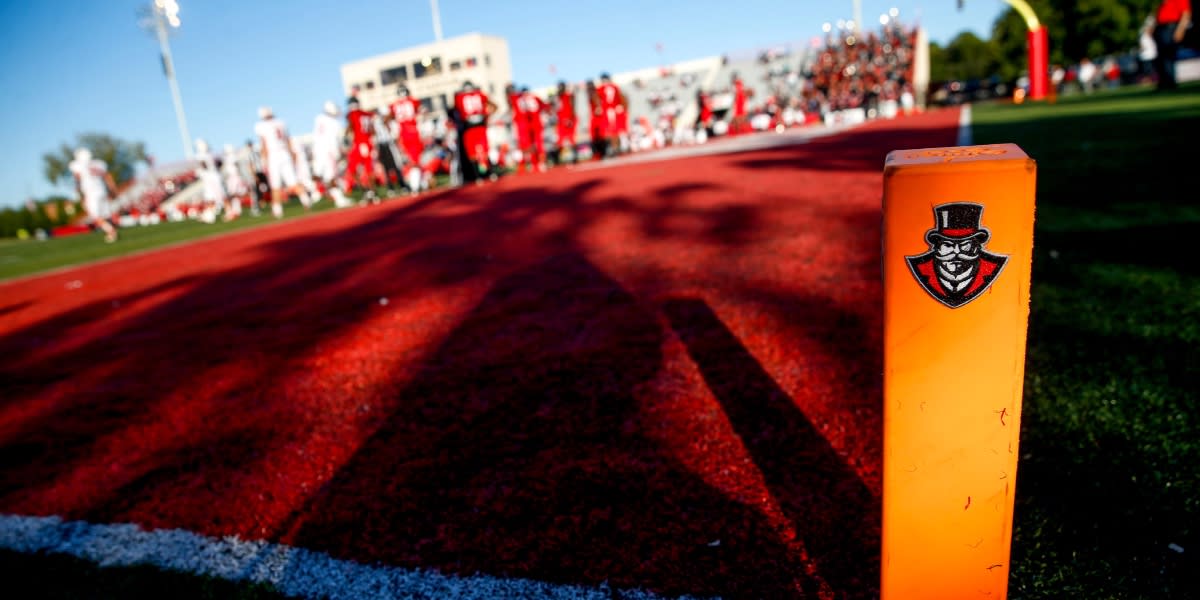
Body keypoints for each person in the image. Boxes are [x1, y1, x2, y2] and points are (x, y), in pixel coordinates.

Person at [254, 106, 310, 218]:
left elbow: (264, 144)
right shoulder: (281, 123)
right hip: (285, 154)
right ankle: (306, 201)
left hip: (274, 156)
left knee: (275, 185)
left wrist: (264, 160)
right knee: (293, 182)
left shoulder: (261, 126)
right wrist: (292, 154)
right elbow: (288, 140)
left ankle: (277, 210)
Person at [68, 147, 119, 242]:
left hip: (91, 193)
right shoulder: (98, 164)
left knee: (95, 216)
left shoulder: (77, 165)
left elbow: (77, 179)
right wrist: (112, 189)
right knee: (105, 214)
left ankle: (111, 231)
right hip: (102, 191)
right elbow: (108, 176)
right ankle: (111, 232)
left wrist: (78, 194)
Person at [453, 80, 497, 182]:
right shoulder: (479, 95)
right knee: (483, 150)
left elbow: (456, 110)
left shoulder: (460, 97)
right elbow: (493, 106)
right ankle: (488, 173)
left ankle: (479, 175)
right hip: (478, 126)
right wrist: (486, 115)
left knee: (474, 152)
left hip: (470, 127)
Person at [343, 97, 379, 202]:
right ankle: (373, 193)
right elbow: (372, 130)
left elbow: (351, 126)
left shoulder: (353, 114)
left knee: (352, 170)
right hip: (369, 143)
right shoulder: (366, 114)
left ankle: (366, 192)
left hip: (359, 144)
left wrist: (345, 136)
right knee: (369, 170)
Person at [1151, 0, 1192, 90]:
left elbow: (1186, 14)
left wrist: (1180, 30)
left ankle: (1170, 83)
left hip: (1170, 27)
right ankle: (1163, 83)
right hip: (1161, 27)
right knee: (1161, 57)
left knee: (1168, 56)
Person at [193, 139, 227, 223]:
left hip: (210, 177)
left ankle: (228, 211)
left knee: (217, 196)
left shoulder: (201, 155)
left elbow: (203, 165)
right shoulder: (211, 154)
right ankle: (210, 215)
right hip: (214, 176)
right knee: (212, 197)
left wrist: (201, 170)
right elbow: (219, 162)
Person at [554, 81, 577, 163]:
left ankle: (574, 156)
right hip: (561, 121)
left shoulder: (568, 96)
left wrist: (570, 118)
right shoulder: (557, 97)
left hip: (568, 119)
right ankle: (560, 158)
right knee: (560, 140)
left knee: (571, 139)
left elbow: (572, 107)